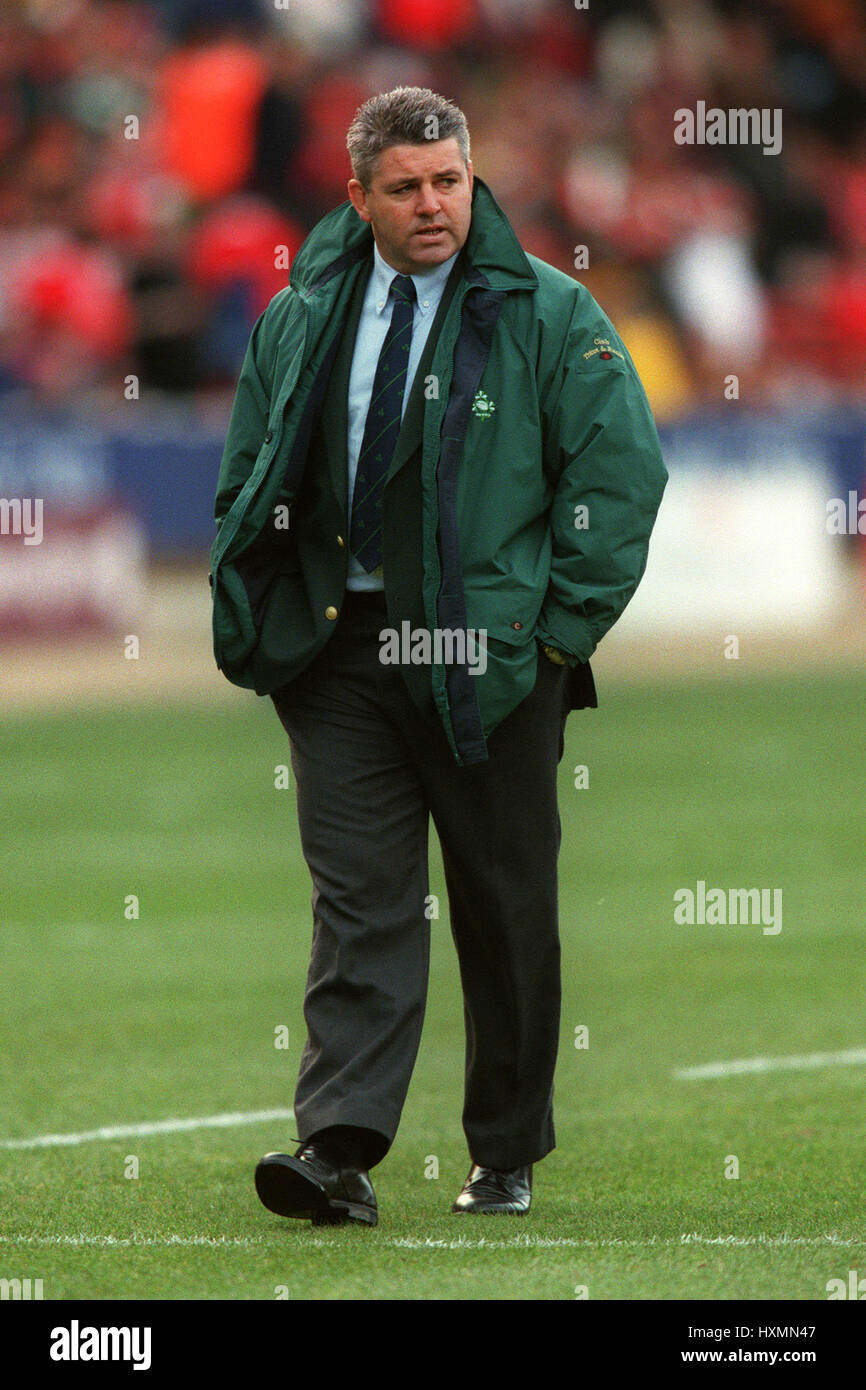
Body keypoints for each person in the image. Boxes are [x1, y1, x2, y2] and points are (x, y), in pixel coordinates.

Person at [210, 86, 667, 1226]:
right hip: (337, 658)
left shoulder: (551, 313)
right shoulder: (300, 313)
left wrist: (555, 635)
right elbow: (250, 476)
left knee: (502, 904)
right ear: (357, 194)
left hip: (491, 654)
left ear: (473, 178)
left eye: (449, 181)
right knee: (358, 903)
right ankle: (338, 1150)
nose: (432, 205)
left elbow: (618, 482)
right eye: (405, 187)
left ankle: (503, 1151)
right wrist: (261, 596)